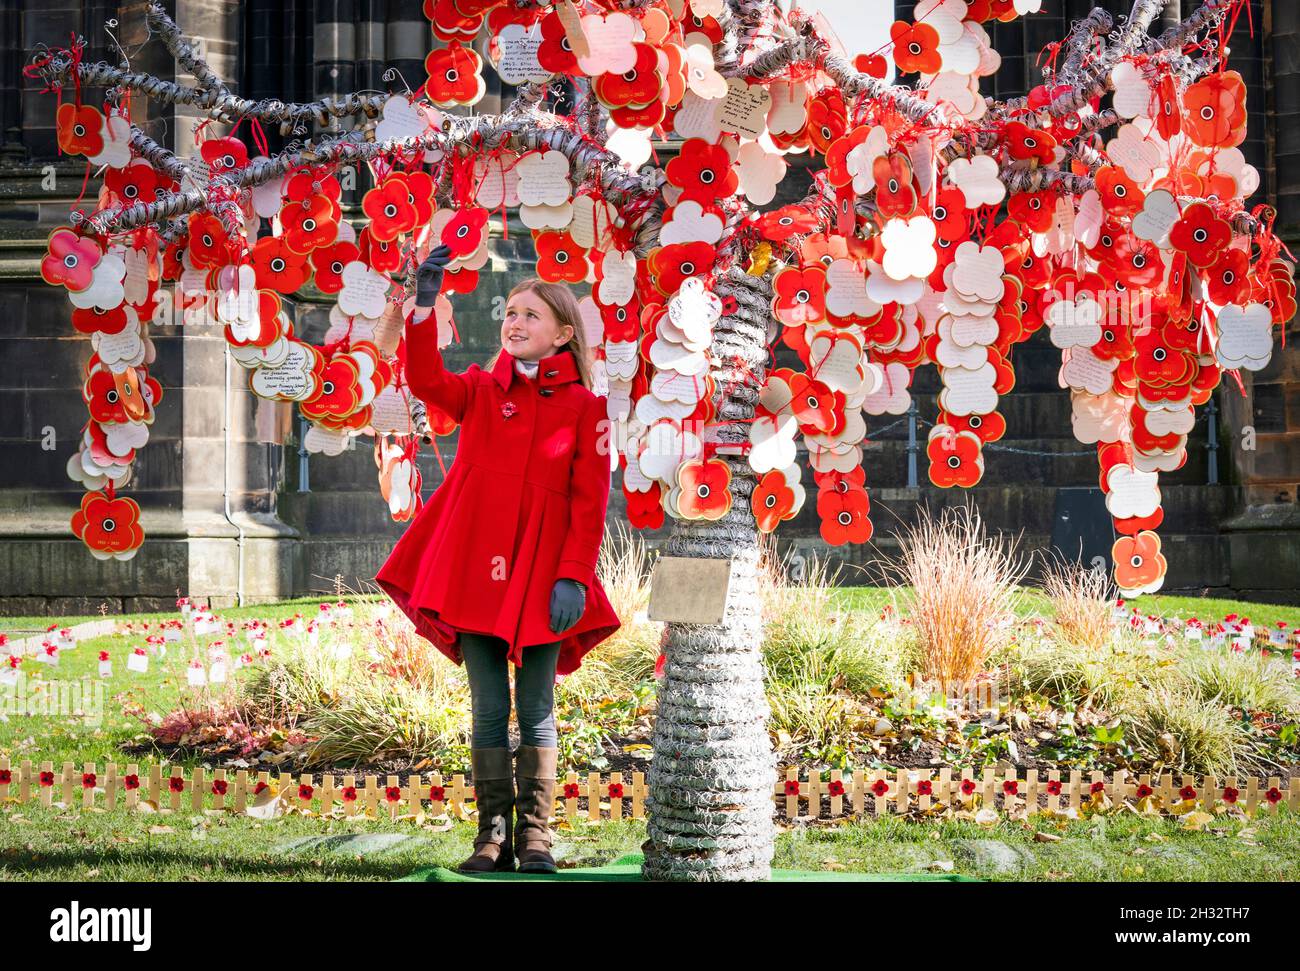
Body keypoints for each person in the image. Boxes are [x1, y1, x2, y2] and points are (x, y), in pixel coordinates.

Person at [375, 244, 621, 874]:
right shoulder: (483, 390)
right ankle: (491, 836)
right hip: (473, 570)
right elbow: (428, 380)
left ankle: (536, 835)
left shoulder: (588, 409)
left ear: (564, 333)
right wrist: (422, 310)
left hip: (544, 573)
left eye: (530, 315)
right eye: (510, 313)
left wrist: (572, 575)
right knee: (487, 703)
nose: (514, 322)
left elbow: (589, 503)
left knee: (536, 703)